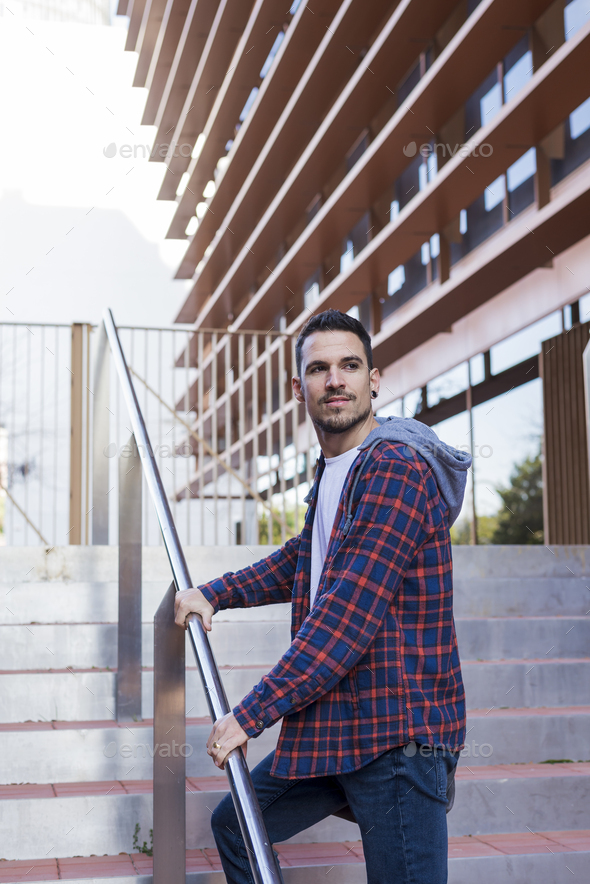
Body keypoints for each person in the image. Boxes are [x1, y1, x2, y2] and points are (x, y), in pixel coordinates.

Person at [174, 308, 470, 883]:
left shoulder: (395, 469)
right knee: (238, 824)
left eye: (349, 366)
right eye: (319, 368)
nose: (335, 379)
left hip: (399, 736)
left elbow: (346, 616)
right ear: (298, 387)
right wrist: (216, 591)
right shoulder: (336, 470)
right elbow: (304, 560)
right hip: (342, 727)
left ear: (373, 380)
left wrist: (252, 713)